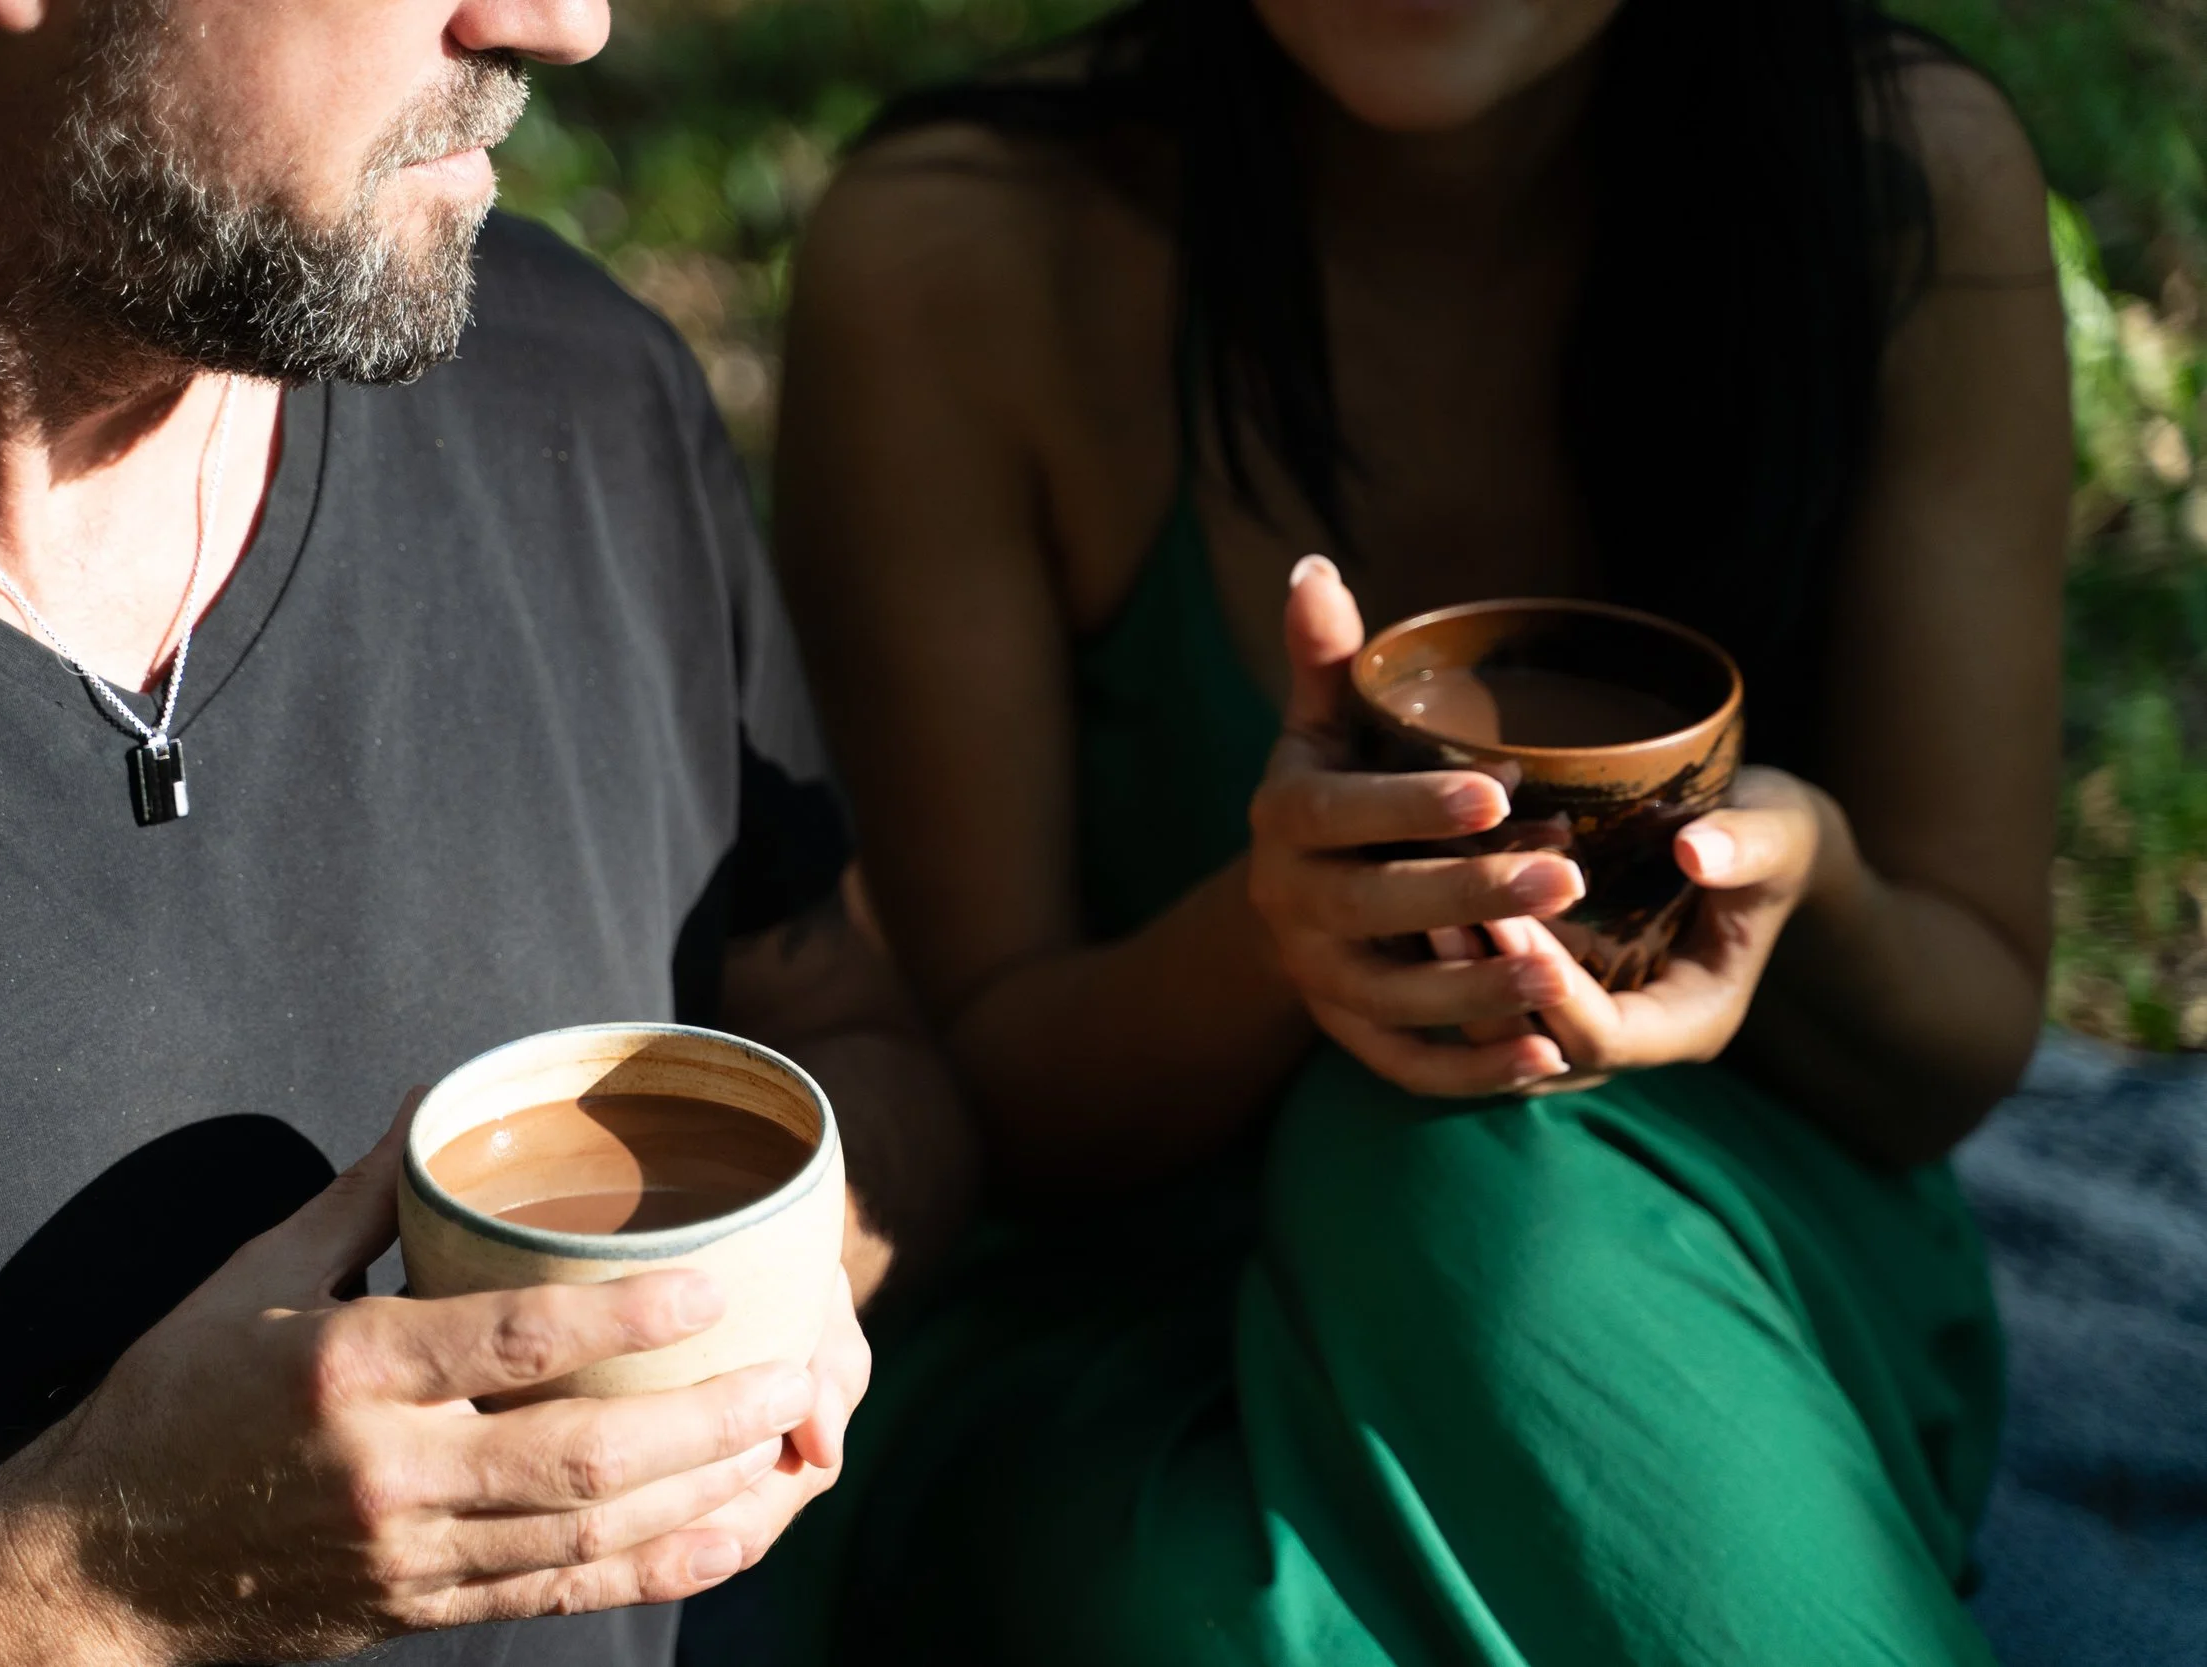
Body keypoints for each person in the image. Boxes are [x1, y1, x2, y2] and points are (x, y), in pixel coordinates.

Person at [767, 0, 2068, 1659]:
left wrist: (1795, 882)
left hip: (1711, 1260)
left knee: (1461, 1180)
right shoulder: (964, 249)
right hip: (1136, 1323)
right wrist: (1274, 931)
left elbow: (1958, 1035)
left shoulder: (1899, 189)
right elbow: (963, 1100)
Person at [0, 2, 976, 1664]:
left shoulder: (583, 401)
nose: (563, 24)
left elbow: (857, 1053)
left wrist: (747, 1291)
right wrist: (91, 1585)